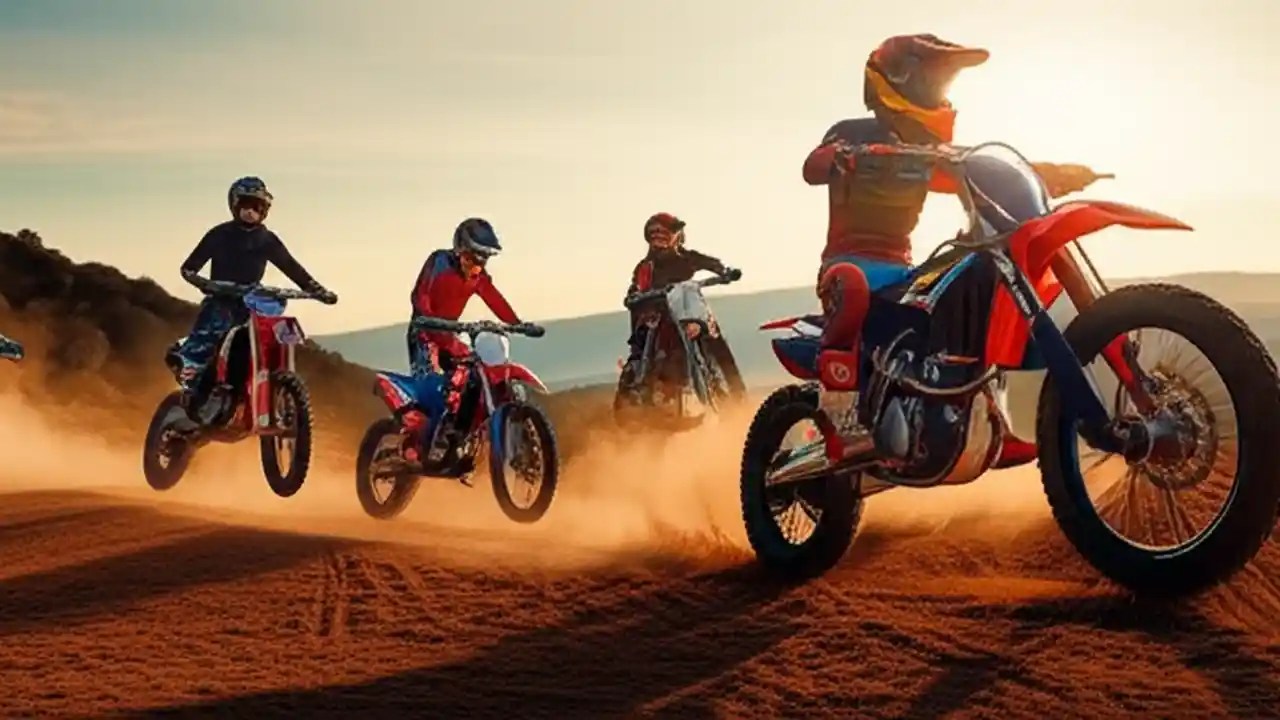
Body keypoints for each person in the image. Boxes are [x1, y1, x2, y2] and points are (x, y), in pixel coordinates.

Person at [801, 34, 1106, 469]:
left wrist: (1051, 174)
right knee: (851, 287)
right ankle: (843, 423)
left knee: (979, 282)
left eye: (942, 81)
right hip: (850, 266)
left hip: (904, 270)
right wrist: (844, 154)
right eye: (928, 78)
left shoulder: (932, 152)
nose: (935, 90)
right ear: (893, 79)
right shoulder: (855, 132)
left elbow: (973, 176)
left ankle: (985, 416)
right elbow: (813, 166)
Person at [174, 176, 336, 423]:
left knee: (273, 336)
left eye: (258, 207)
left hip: (253, 301)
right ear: (234, 205)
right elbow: (189, 269)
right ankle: (196, 379)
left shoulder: (267, 239)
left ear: (265, 210)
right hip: (222, 300)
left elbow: (291, 267)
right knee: (210, 336)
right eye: (247, 205)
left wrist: (317, 289)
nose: (252, 212)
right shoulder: (219, 235)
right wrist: (209, 285)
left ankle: (267, 387)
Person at [404, 217, 522, 462]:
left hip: (450, 337)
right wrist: (427, 318)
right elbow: (420, 294)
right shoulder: (438, 261)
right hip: (424, 334)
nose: (477, 263)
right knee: (433, 390)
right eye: (473, 256)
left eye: (483, 258)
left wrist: (518, 324)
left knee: (472, 377)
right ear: (460, 250)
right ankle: (416, 443)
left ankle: (458, 434)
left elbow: (494, 299)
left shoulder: (478, 277)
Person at [616, 212, 745, 409]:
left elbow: (711, 263)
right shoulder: (645, 267)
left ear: (676, 235)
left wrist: (724, 272)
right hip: (658, 314)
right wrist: (635, 295)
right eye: (654, 233)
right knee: (642, 344)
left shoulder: (687, 258)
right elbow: (635, 288)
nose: (659, 236)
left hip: (689, 308)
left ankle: (738, 396)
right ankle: (641, 386)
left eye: (664, 232)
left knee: (715, 336)